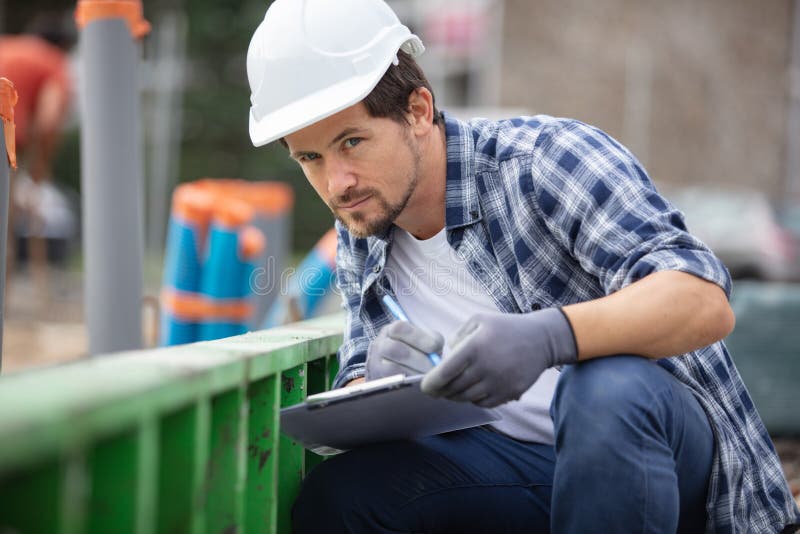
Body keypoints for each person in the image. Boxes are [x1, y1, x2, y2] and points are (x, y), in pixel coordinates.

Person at [246, 1, 800, 532]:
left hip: (667, 470)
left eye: (352, 142)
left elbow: (702, 300)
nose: (336, 182)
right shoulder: (363, 220)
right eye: (311, 158)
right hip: (527, 472)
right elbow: (362, 362)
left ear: (417, 110)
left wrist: (551, 337)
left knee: (604, 388)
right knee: (343, 496)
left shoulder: (546, 162)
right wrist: (378, 387)